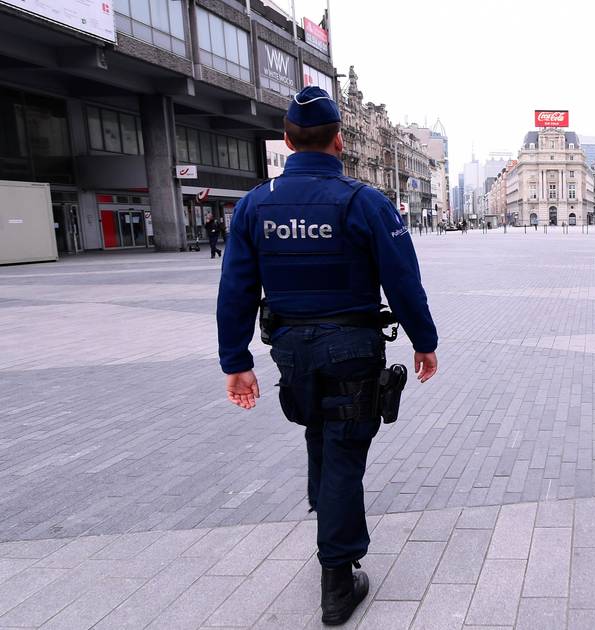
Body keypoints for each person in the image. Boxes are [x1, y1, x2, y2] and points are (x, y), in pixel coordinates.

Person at [216, 85, 439, 626]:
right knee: (342, 450)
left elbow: (235, 288)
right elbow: (403, 280)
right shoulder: (364, 201)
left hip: (290, 350)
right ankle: (338, 578)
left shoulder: (255, 204)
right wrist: (424, 341)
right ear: (339, 140)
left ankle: (327, 517)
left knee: (319, 431)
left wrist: (236, 361)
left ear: (288, 140)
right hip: (350, 345)